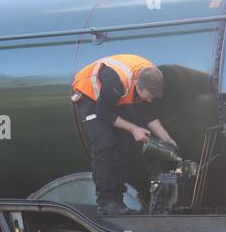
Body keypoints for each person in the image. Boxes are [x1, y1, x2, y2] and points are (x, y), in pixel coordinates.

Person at [71, 54, 176, 216]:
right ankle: (105, 202)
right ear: (138, 86)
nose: (150, 100)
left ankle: (117, 201)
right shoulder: (117, 82)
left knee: (126, 145)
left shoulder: (150, 76)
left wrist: (166, 138)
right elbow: (103, 113)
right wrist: (134, 129)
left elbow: (147, 112)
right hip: (90, 96)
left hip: (112, 98)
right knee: (105, 143)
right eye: (149, 96)